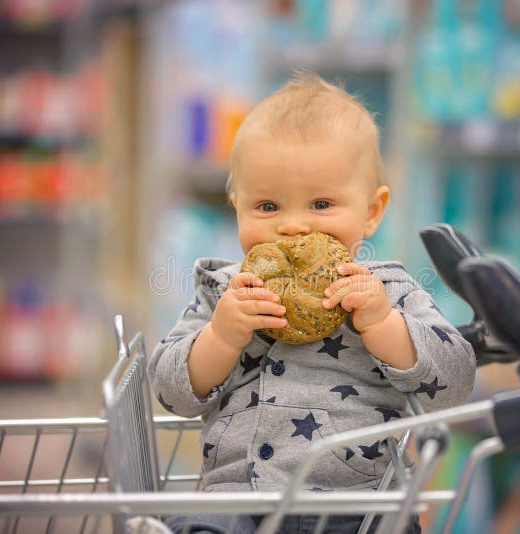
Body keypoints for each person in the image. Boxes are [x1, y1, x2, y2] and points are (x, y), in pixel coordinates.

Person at [148, 72, 476, 534]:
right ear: (236, 206)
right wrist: (221, 337)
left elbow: (456, 380)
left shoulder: (390, 291)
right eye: (267, 207)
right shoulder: (223, 292)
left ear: (372, 212)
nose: (295, 227)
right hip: (237, 501)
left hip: (358, 506)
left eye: (321, 204)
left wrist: (384, 324)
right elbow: (169, 392)